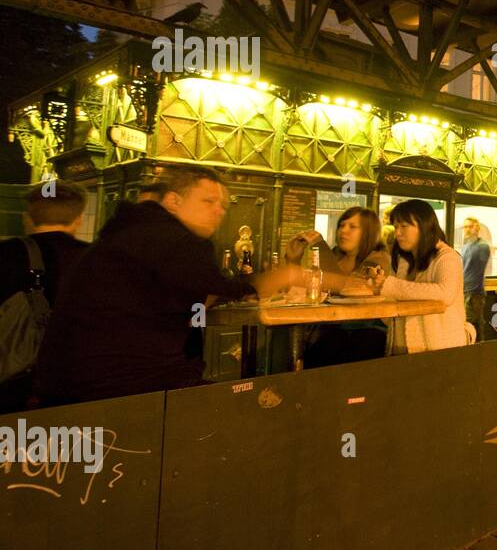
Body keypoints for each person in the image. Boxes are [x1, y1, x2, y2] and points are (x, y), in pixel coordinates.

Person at [34, 166, 297, 404]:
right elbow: (229, 288)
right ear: (173, 201)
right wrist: (277, 279)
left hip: (65, 383)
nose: (219, 211)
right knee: (258, 407)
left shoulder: (129, 232)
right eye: (208, 201)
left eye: (222, 205)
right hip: (123, 386)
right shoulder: (173, 237)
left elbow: (193, 293)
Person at [0, 180, 92, 407]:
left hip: (11, 386)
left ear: (28, 218)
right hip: (77, 384)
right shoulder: (98, 259)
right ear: (78, 220)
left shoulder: (5, 255)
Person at [284, 207, 391, 368]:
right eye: (342, 225)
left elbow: (353, 288)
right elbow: (302, 291)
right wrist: (294, 260)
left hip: (363, 337)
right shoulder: (335, 256)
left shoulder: (378, 258)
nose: (344, 231)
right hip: (327, 334)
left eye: (352, 227)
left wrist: (320, 246)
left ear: (369, 231)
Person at [369, 199, 469, 352]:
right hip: (402, 349)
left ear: (424, 225)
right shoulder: (401, 261)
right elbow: (392, 309)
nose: (398, 232)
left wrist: (389, 285)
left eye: (404, 226)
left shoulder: (447, 257)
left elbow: (445, 294)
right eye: (395, 226)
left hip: (443, 350)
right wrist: (378, 290)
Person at [460, 216, 491, 342]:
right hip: (464, 291)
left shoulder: (482, 246)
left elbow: (477, 269)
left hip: (474, 293)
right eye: (465, 227)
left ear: (476, 228)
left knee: (474, 325)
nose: (466, 229)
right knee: (473, 325)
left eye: (469, 226)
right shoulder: (466, 246)